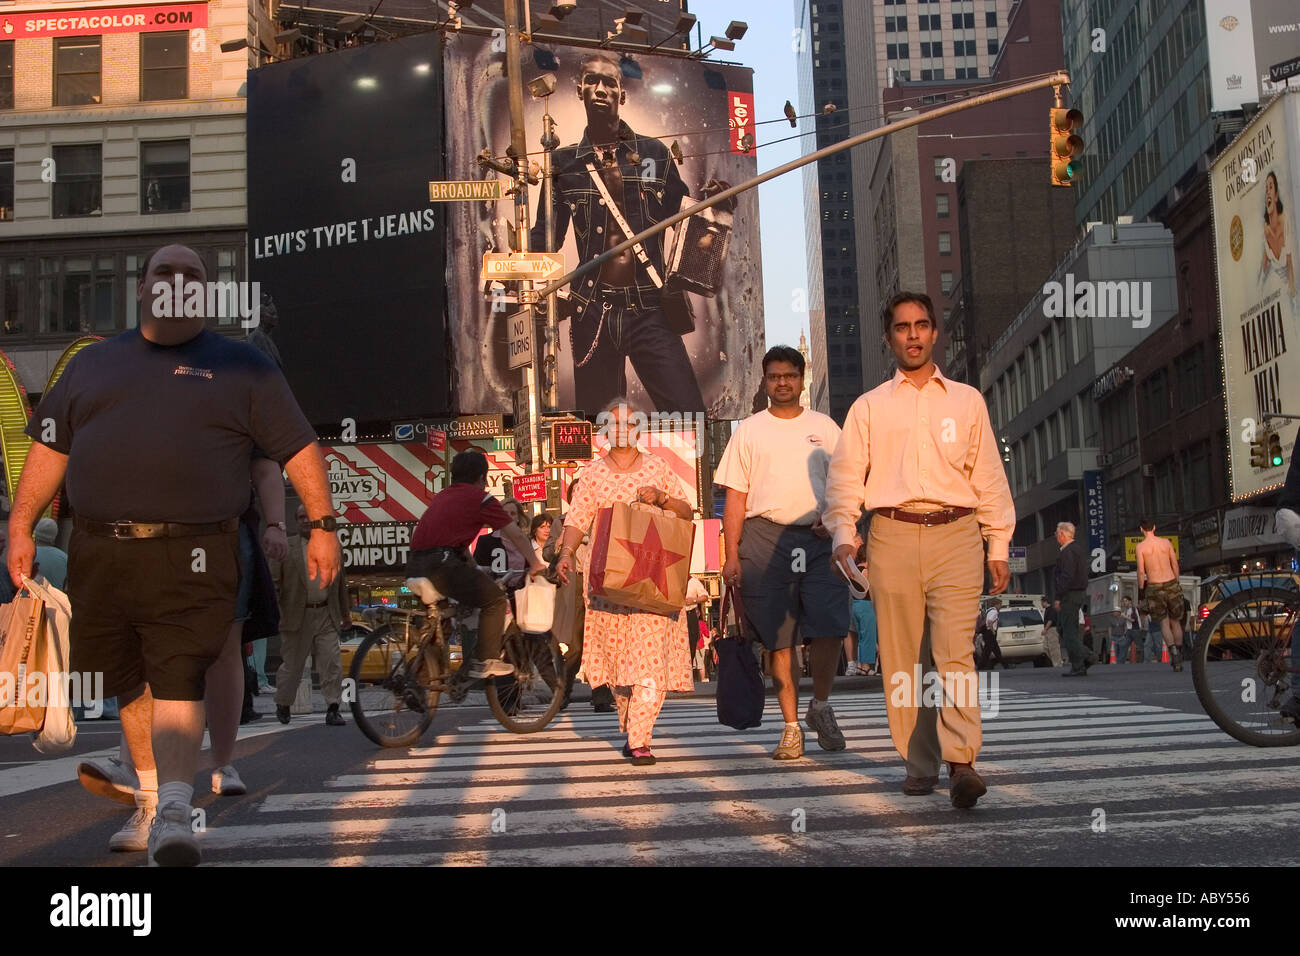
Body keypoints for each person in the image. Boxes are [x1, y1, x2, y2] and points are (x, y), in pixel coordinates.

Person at [7, 243, 338, 867]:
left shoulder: (244, 366)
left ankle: (178, 808)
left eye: (193, 274)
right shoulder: (91, 365)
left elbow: (298, 448)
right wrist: (21, 525)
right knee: (130, 679)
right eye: (165, 271)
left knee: (180, 670)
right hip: (101, 551)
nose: (178, 280)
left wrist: (320, 525)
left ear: (207, 294)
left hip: (199, 550)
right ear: (142, 288)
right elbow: (49, 451)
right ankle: (153, 801)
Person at [825, 291, 1014, 809]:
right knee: (906, 660)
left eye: (922, 325)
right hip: (892, 534)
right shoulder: (867, 408)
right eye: (903, 327)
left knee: (953, 653)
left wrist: (997, 543)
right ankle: (919, 761)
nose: (913, 334)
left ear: (935, 333)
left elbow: (989, 479)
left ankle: (962, 762)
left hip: (958, 532)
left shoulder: (967, 401)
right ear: (890, 338)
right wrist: (845, 534)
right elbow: (844, 483)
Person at [530, 53, 726, 413]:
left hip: (650, 307)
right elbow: (545, 239)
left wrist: (715, 208)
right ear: (579, 91)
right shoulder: (563, 163)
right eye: (592, 81)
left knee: (689, 418)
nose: (600, 89)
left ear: (623, 95)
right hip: (592, 309)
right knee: (596, 425)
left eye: (610, 83)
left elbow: (684, 220)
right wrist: (516, 272)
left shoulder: (654, 153)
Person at [716, 345, 848, 759]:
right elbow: (734, 499)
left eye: (790, 375)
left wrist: (838, 524)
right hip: (763, 538)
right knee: (779, 639)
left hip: (820, 538)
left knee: (829, 627)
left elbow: (848, 486)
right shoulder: (749, 431)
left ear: (802, 378)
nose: (782, 383)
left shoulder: (826, 428)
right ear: (765, 381)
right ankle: (791, 726)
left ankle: (820, 707)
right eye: (774, 376)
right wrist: (731, 555)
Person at [555, 398, 695, 765]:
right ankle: (632, 725)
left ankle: (640, 739)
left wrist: (662, 498)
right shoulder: (592, 474)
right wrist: (567, 553)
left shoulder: (658, 468)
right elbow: (577, 519)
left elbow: (686, 511)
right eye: (614, 423)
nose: (621, 429)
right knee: (619, 665)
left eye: (629, 423)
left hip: (653, 581)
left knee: (648, 661)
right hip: (607, 586)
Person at [407, 451, 545, 679]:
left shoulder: (442, 496)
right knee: (495, 601)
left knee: (442, 620)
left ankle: (423, 681)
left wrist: (476, 569)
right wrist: (534, 563)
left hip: (415, 564)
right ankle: (486, 660)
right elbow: (517, 535)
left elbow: (457, 545)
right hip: (443, 566)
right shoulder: (481, 498)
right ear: (482, 477)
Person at [271, 504, 349, 725]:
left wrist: (346, 613)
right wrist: (275, 614)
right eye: (300, 517)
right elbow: (274, 585)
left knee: (331, 662)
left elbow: (341, 583)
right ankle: (283, 703)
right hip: (297, 615)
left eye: (308, 517)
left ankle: (333, 707)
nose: (304, 521)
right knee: (293, 665)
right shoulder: (286, 547)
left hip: (326, 612)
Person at [545, 479, 615, 712]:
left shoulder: (603, 519)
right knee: (575, 644)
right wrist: (561, 545)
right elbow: (547, 552)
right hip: (573, 586)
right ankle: (562, 692)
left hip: (598, 583)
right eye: (576, 492)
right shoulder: (561, 522)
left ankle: (602, 696)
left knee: (600, 640)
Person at [1136, 519, 1184, 672]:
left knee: (1164, 623)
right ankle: (1180, 652)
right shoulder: (1166, 543)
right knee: (1176, 622)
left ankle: (1174, 654)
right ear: (1154, 527)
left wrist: (1141, 589)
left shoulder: (1141, 547)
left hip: (1154, 585)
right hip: (1171, 582)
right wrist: (1176, 582)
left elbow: (1141, 571)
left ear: (1141, 530)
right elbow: (1175, 564)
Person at [1054, 522, 1095, 677]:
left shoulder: (1068, 551)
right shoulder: (1077, 549)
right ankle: (1083, 659)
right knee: (1066, 628)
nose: (1056, 537)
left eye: (1057, 534)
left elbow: (1066, 575)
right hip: (1078, 592)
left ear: (1063, 534)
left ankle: (1083, 660)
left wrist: (1058, 596)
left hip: (1070, 594)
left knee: (1068, 630)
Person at [32, 517, 67, 589]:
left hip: (29, 599)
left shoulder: (28, 556)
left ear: (35, 533)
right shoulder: (64, 558)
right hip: (56, 599)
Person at [978, 598, 1006, 670]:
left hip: (986, 632)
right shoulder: (994, 612)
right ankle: (981, 666)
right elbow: (990, 622)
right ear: (996, 605)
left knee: (995, 650)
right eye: (1000, 604)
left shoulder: (988, 610)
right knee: (987, 651)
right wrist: (993, 631)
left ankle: (1005, 665)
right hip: (990, 633)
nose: (1000, 606)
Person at [1113, 595, 1142, 663]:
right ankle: (1120, 662)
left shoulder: (1133, 609)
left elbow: (1133, 620)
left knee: (1140, 646)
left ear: (1130, 601)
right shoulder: (1127, 610)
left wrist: (1125, 616)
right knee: (1124, 646)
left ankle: (1143, 661)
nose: (1124, 603)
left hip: (1135, 630)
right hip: (1129, 631)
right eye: (1123, 601)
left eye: (1126, 601)